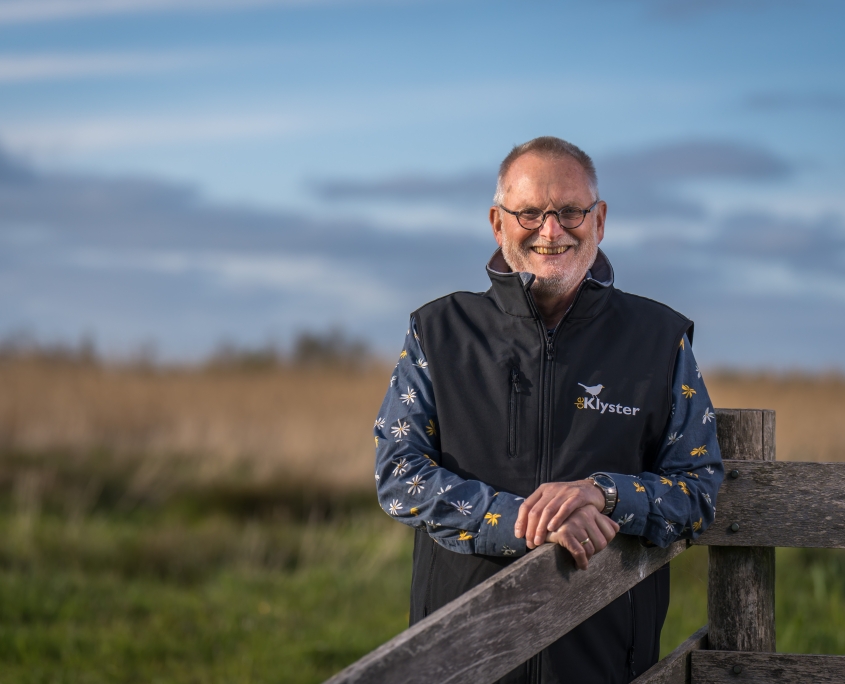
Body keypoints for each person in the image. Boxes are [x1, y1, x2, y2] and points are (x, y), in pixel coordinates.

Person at [373, 136, 724, 684]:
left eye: (570, 212)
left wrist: (605, 494)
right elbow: (399, 474)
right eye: (530, 213)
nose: (551, 230)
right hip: (461, 660)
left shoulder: (660, 339)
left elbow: (698, 490)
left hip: (607, 663)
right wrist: (524, 522)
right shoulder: (437, 332)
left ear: (599, 221)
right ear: (498, 223)